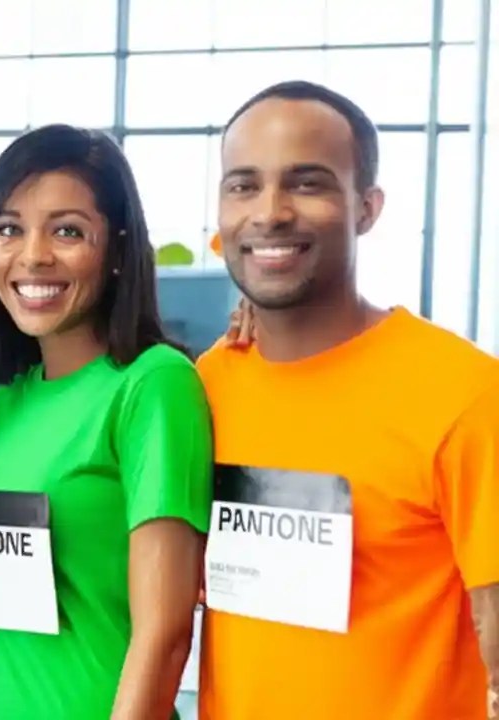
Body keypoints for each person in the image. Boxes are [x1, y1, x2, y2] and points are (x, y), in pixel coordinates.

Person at [197, 80, 499, 720]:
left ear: (367, 207)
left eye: (307, 183)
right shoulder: (208, 384)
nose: (270, 211)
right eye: (243, 185)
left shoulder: (464, 393)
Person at [0, 124, 213, 719]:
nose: (33, 254)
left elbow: (165, 633)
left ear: (117, 250)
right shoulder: (8, 401)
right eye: (8, 229)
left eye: (68, 231)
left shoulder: (152, 384)